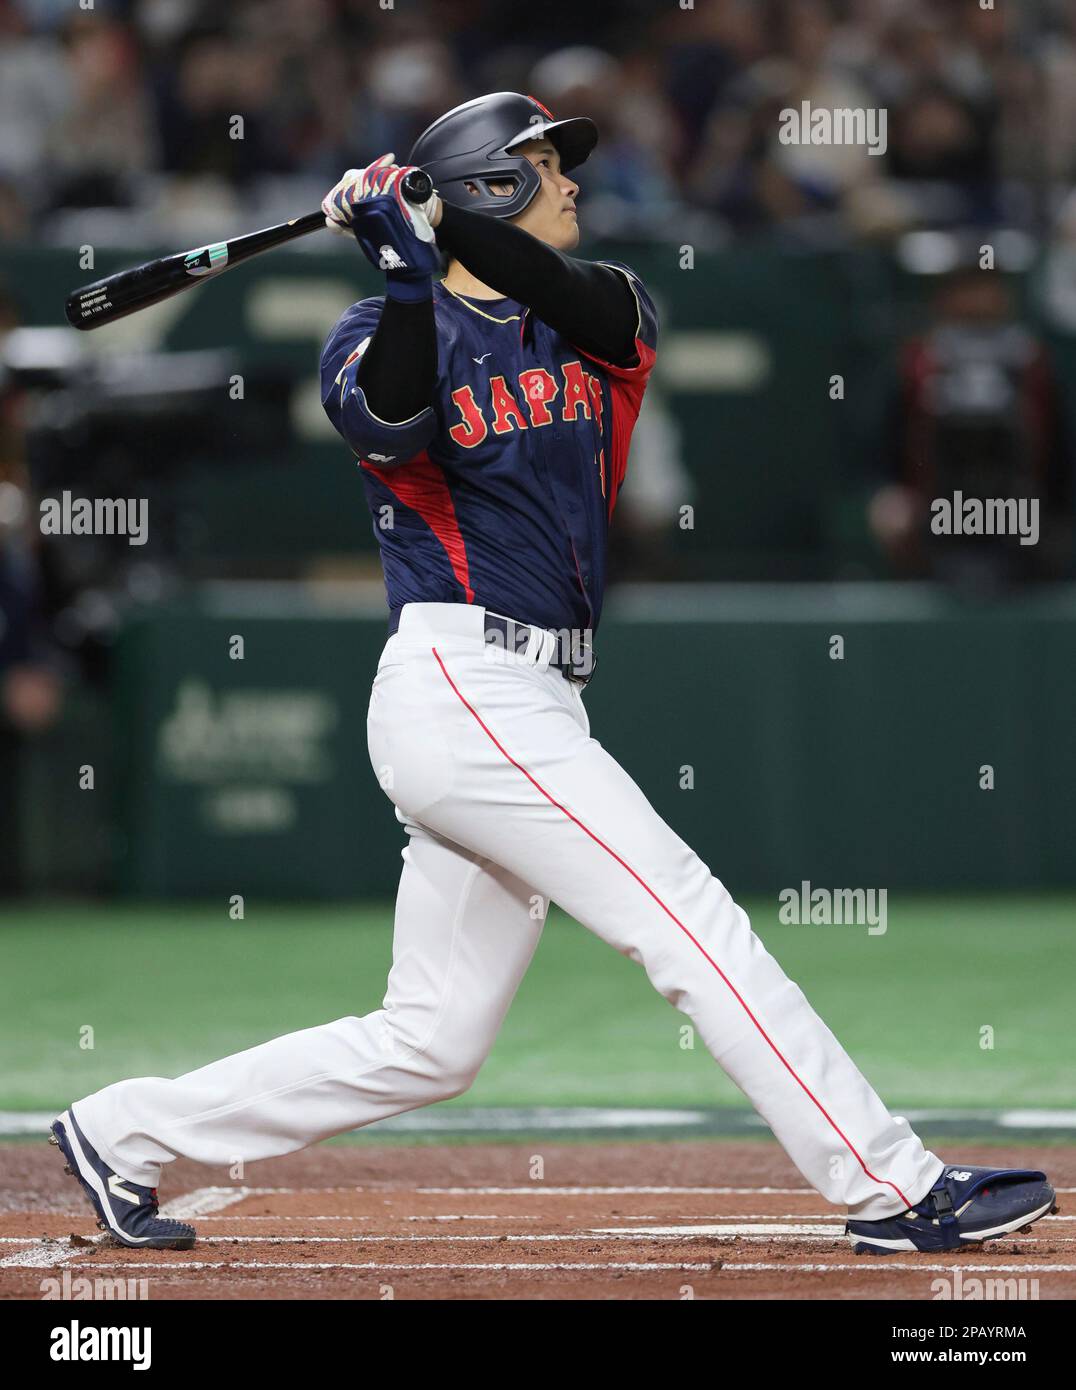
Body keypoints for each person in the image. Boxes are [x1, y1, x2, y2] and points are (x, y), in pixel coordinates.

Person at [51, 93, 1055, 1257]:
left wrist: (425, 220)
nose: (571, 181)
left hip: (536, 696)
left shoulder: (601, 316)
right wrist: (409, 269)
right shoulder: (369, 332)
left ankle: (122, 1131)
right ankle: (892, 1185)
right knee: (689, 922)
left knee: (430, 1039)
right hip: (459, 681)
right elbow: (390, 420)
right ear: (484, 183)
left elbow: (568, 290)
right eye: (538, 164)